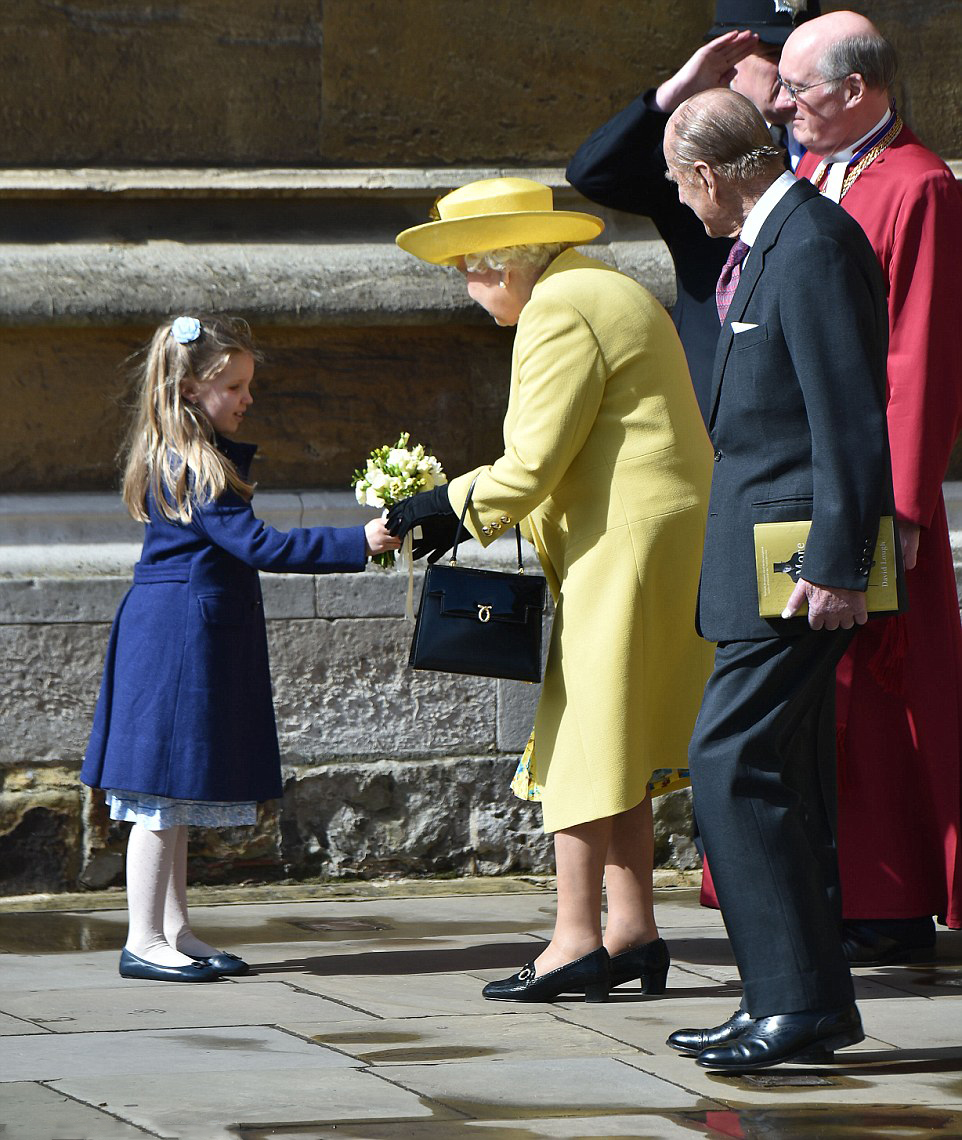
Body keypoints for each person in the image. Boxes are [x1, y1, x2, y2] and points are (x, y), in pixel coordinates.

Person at [389, 177, 714, 1003]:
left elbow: (533, 464)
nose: (465, 285)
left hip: (627, 546)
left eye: (467, 268)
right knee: (623, 739)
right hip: (653, 537)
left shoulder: (558, 308)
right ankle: (632, 930)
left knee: (579, 742)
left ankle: (574, 942)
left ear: (503, 264)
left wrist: (436, 511)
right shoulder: (600, 286)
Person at [661, 89, 893, 1070]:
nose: (680, 202)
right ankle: (794, 1002)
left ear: (709, 174)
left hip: (796, 568)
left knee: (727, 766)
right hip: (765, 564)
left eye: (680, 184)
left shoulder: (808, 241)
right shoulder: (767, 241)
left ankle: (792, 1002)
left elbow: (847, 412)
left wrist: (839, 563)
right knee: (780, 779)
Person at [81, 315, 398, 982]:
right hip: (175, 644)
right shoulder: (193, 464)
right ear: (192, 390)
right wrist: (358, 543)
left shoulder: (184, 455)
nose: (247, 398)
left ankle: (173, 929)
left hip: (182, 635)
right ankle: (143, 938)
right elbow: (263, 546)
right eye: (234, 386)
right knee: (159, 802)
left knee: (175, 798)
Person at [771, 10, 962, 962]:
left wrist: (904, 503)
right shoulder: (809, 171)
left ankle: (887, 898)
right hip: (801, 478)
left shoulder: (919, 184)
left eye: (798, 89)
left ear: (855, 91)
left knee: (883, 699)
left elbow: (921, 352)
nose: (780, 104)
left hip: (877, 492)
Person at [567, 0, 820, 419]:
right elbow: (592, 173)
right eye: (775, 57)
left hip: (805, 393)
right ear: (728, 57)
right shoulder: (694, 156)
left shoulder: (833, 149)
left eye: (800, 56)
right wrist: (673, 94)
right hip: (715, 394)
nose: (791, 73)